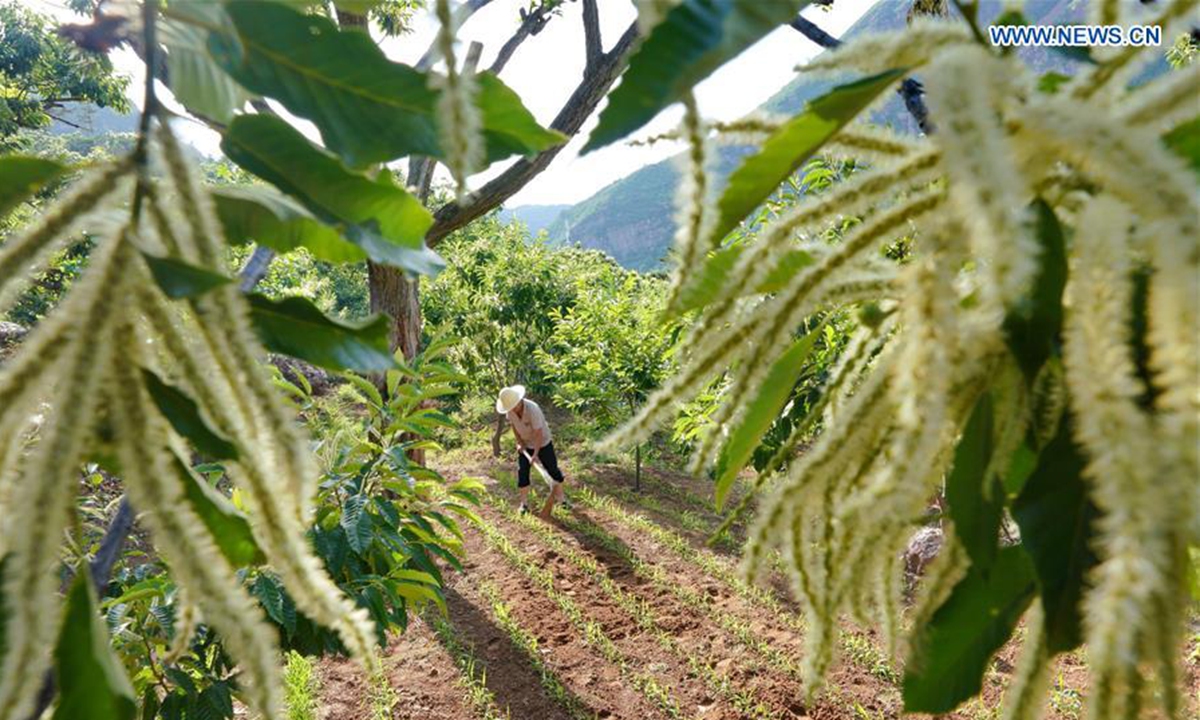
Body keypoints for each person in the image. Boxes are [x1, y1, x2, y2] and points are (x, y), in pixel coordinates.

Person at [496, 385, 566, 519]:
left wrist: (535, 454)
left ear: (518, 401)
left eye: (512, 406)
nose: (510, 409)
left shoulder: (532, 409)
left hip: (543, 442)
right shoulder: (510, 410)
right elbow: (514, 426)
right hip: (526, 444)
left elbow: (538, 433)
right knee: (522, 471)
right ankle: (523, 504)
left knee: (552, 469)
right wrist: (519, 442)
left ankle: (562, 500)